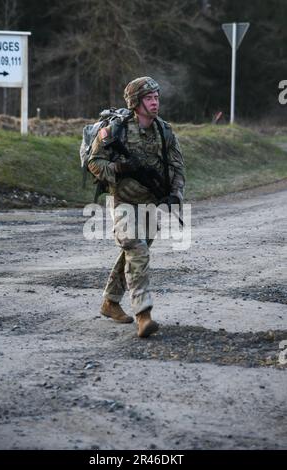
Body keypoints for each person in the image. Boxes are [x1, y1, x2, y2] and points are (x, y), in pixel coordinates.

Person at [87, 76, 185, 338]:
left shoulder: (164, 130)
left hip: (151, 204)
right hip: (123, 203)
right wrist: (118, 168)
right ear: (135, 102)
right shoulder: (116, 130)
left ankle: (110, 301)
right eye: (149, 98)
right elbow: (94, 162)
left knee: (132, 253)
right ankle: (144, 315)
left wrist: (175, 194)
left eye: (156, 98)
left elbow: (177, 166)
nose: (155, 103)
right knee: (137, 249)